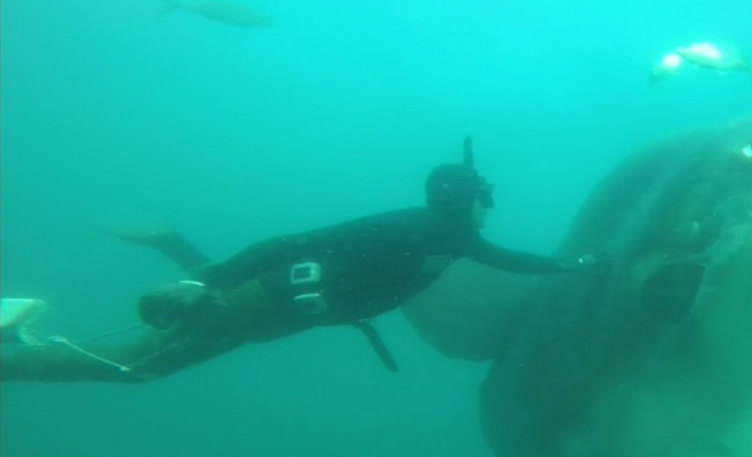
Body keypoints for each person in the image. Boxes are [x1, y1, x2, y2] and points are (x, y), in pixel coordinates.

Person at [0, 138, 598, 383]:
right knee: (134, 366)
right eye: (487, 197)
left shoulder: (455, 239)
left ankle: (22, 337)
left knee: (139, 365)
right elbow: (293, 242)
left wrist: (571, 266)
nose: (492, 207)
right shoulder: (410, 227)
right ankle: (12, 347)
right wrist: (206, 282)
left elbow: (511, 259)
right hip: (263, 298)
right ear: (467, 199)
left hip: (280, 314)